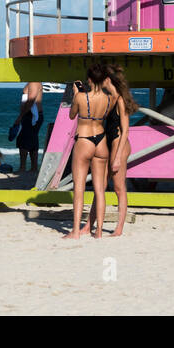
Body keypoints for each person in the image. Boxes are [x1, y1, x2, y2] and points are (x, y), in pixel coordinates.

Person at [64, 70, 118, 240]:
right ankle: (99, 231)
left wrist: (76, 94)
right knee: (99, 190)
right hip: (101, 141)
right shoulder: (109, 99)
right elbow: (116, 96)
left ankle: (75, 231)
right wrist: (109, 85)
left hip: (85, 139)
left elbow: (72, 115)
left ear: (89, 80)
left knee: (79, 189)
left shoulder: (81, 97)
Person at [97, 63, 137, 238]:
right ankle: (89, 225)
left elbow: (125, 129)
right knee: (101, 186)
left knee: (119, 188)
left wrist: (118, 158)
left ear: (107, 80)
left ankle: (119, 228)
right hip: (110, 144)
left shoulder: (119, 100)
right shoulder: (109, 99)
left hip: (119, 145)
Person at [13, 82, 44, 173]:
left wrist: (20, 116)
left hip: (31, 116)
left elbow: (30, 101)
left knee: (23, 140)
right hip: (31, 115)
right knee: (32, 140)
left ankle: (23, 167)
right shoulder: (32, 82)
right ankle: (33, 168)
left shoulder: (34, 82)